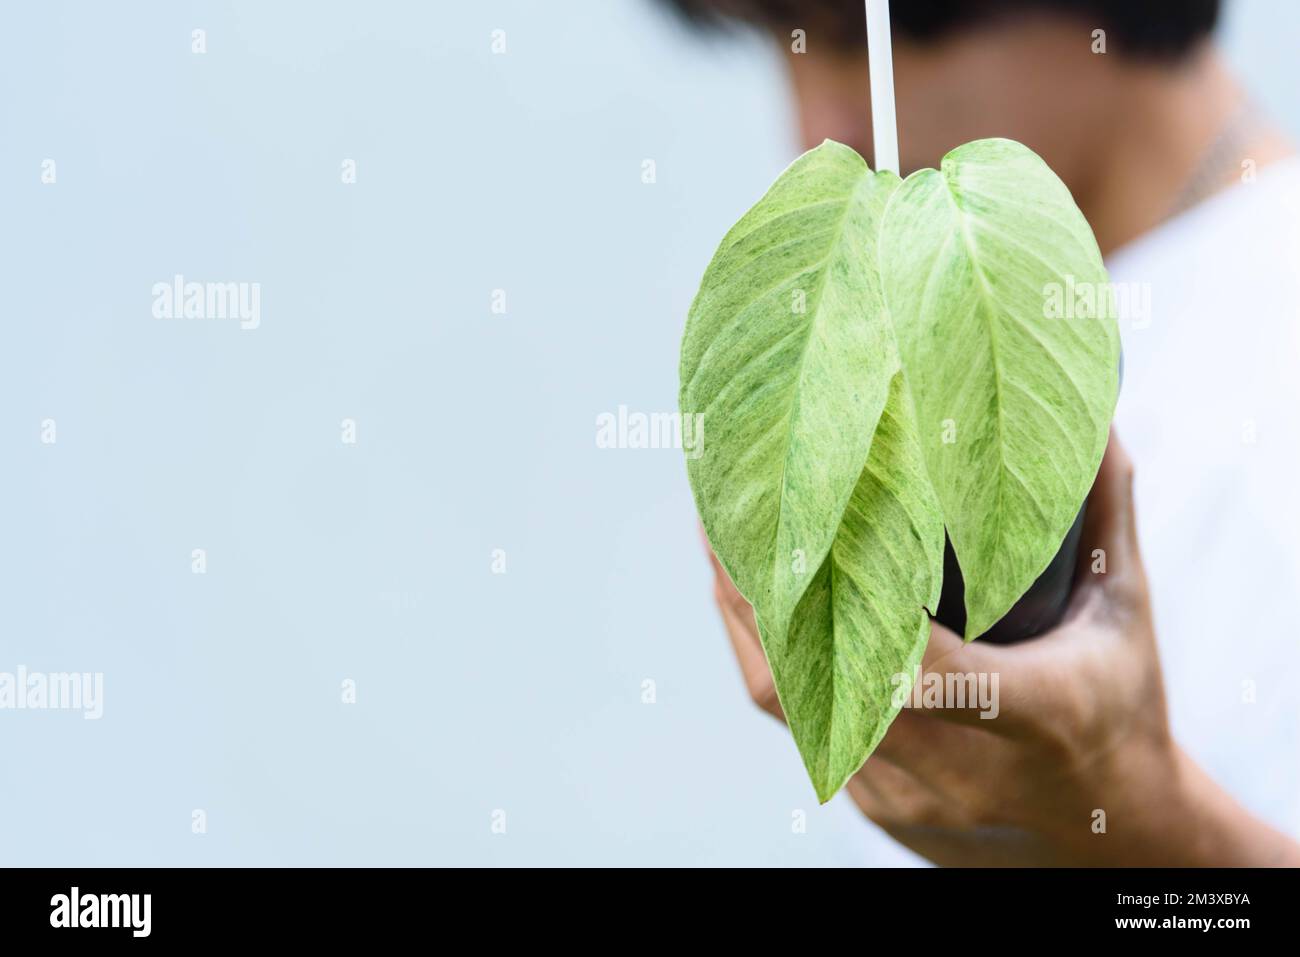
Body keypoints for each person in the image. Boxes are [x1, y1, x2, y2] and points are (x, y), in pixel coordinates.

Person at [667, 0, 1300, 865]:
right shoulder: (899, 371)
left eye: (872, 41)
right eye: (772, 42)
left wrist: (1142, 830)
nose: (817, 128)